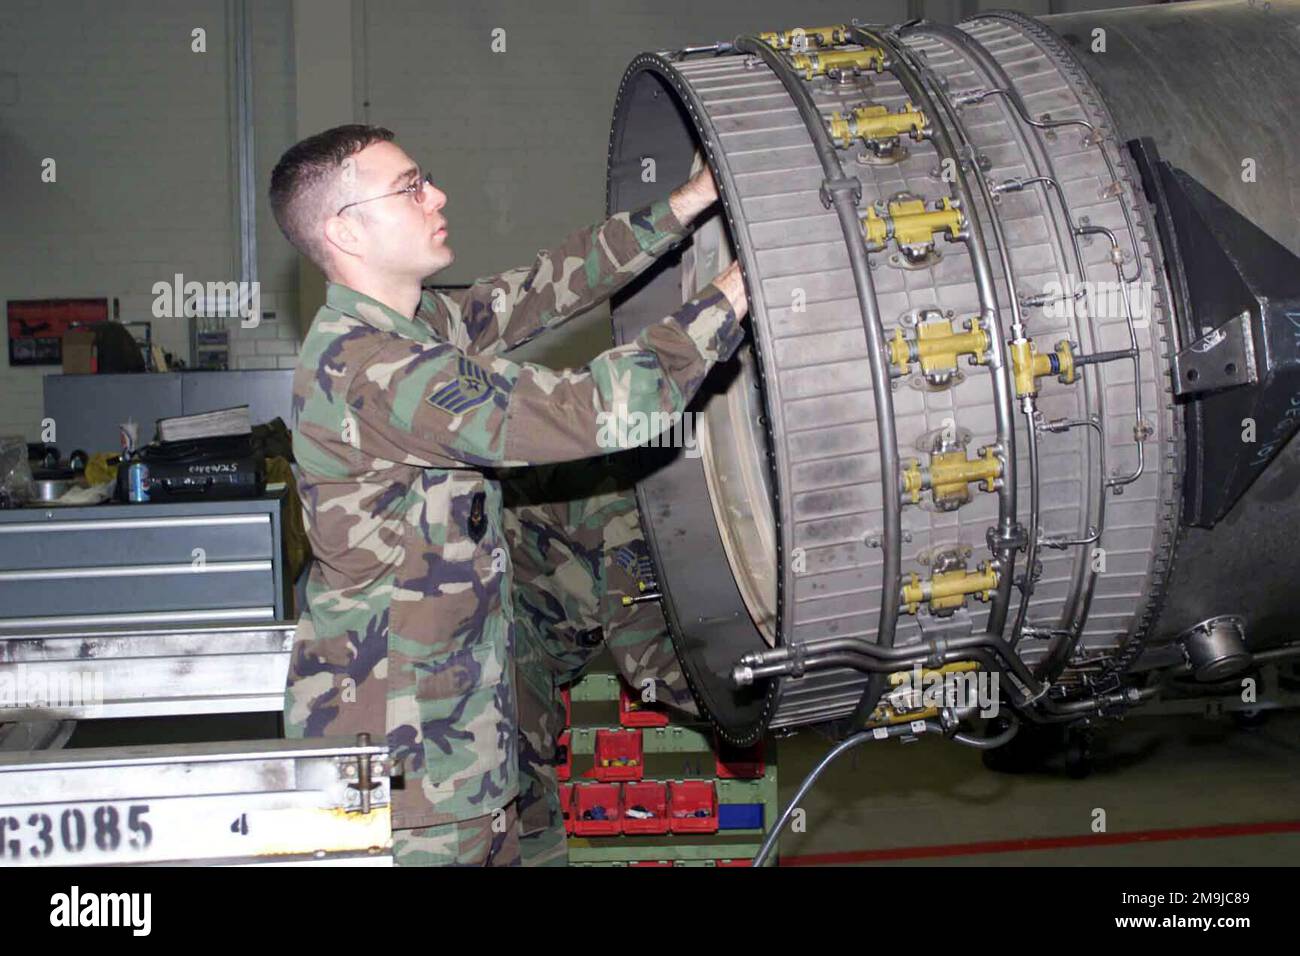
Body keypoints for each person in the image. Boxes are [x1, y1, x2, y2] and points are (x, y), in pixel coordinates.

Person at [268, 124, 748, 865]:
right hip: (407, 777)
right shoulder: (376, 372)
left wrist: (685, 205)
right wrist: (732, 296)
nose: (437, 195)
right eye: (410, 187)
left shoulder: (416, 327)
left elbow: (543, 288)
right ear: (347, 229)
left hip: (458, 749)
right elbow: (595, 412)